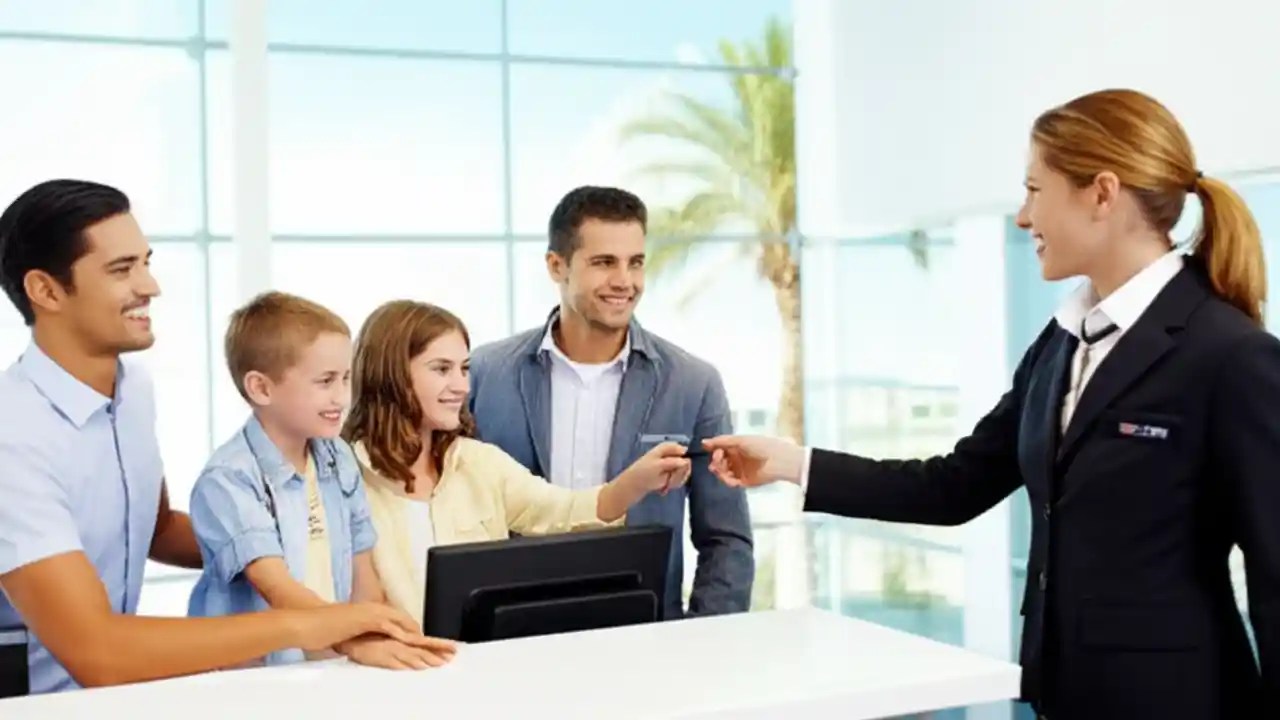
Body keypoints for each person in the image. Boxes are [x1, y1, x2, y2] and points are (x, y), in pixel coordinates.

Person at [701, 88, 1279, 719]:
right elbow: (953, 486)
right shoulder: (1060, 346)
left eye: (1035, 190)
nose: (1023, 217)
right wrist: (790, 462)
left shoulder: (1229, 356)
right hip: (1063, 698)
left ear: (1102, 194)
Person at [0, 180, 439, 696]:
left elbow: (157, 528)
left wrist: (287, 552)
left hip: (120, 697)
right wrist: (319, 622)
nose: (151, 285)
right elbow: (99, 652)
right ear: (46, 291)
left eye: (146, 261)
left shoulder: (132, 391)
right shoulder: (14, 434)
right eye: (122, 270)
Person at [468, 186, 754, 619]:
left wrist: (702, 641)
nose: (625, 281)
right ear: (556, 266)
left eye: (635, 263)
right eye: (604, 263)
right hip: (510, 632)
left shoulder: (693, 384)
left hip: (644, 635)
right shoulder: (485, 374)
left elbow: (726, 538)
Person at [342, 299, 693, 626]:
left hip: (477, 671)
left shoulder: (480, 463)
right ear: (391, 374)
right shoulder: (341, 476)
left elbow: (565, 512)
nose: (461, 386)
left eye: (464, 369)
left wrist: (638, 480)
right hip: (384, 678)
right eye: (442, 369)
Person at [186, 292, 456, 670]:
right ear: (261, 388)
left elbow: (364, 577)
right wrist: (354, 640)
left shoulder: (338, 458)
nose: (341, 397)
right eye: (325, 381)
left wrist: (388, 635)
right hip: (252, 681)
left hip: (326, 667)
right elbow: (279, 591)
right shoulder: (228, 481)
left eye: (346, 379)